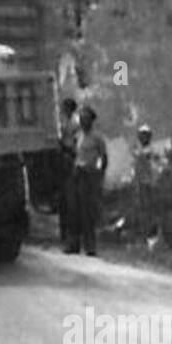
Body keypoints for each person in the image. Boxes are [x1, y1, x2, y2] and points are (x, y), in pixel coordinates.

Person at [66, 104, 108, 256]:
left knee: (87, 212)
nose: (83, 122)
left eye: (86, 119)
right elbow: (74, 154)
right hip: (77, 174)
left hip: (89, 176)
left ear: (91, 121)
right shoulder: (78, 136)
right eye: (82, 119)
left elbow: (103, 158)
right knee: (73, 211)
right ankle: (74, 245)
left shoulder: (97, 138)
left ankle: (90, 247)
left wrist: (99, 175)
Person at [55, 98, 79, 246]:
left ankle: (71, 235)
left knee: (70, 201)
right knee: (63, 200)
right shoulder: (61, 121)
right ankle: (64, 234)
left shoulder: (75, 123)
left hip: (71, 158)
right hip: (62, 160)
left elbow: (74, 142)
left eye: (65, 108)